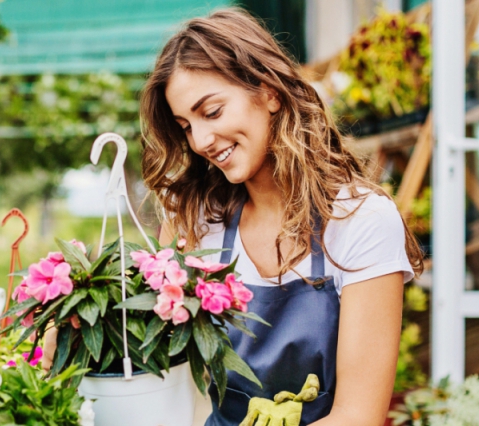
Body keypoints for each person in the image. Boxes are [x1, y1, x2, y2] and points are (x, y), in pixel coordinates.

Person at [137, 8, 425, 426]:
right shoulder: (199, 219)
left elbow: (358, 416)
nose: (200, 141)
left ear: (270, 93)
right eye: (185, 126)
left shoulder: (359, 219)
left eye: (212, 112)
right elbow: (150, 352)